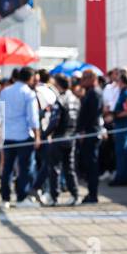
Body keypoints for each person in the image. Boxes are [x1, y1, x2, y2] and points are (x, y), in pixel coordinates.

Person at [0, 65, 42, 208]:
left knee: (7, 168)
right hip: (23, 136)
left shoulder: (6, 91)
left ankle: (5, 198)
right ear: (30, 78)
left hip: (8, 135)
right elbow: (33, 117)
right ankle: (21, 198)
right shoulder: (29, 93)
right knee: (25, 169)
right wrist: (38, 136)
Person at [32, 73, 80, 205]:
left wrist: (43, 135)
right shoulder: (76, 99)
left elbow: (54, 121)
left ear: (58, 85)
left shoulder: (60, 100)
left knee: (55, 169)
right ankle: (75, 194)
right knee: (69, 168)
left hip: (59, 138)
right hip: (71, 138)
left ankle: (54, 196)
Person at [76, 68, 103, 204]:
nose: (82, 81)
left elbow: (91, 115)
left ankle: (93, 194)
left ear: (92, 79)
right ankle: (91, 192)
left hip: (91, 133)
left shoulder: (95, 94)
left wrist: (83, 131)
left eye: (85, 78)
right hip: (88, 133)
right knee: (88, 164)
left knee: (92, 165)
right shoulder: (89, 93)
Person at [108, 69, 127, 186]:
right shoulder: (122, 92)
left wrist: (115, 115)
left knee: (122, 153)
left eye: (118, 79)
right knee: (120, 153)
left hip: (124, 127)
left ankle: (123, 178)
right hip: (120, 126)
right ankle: (122, 176)